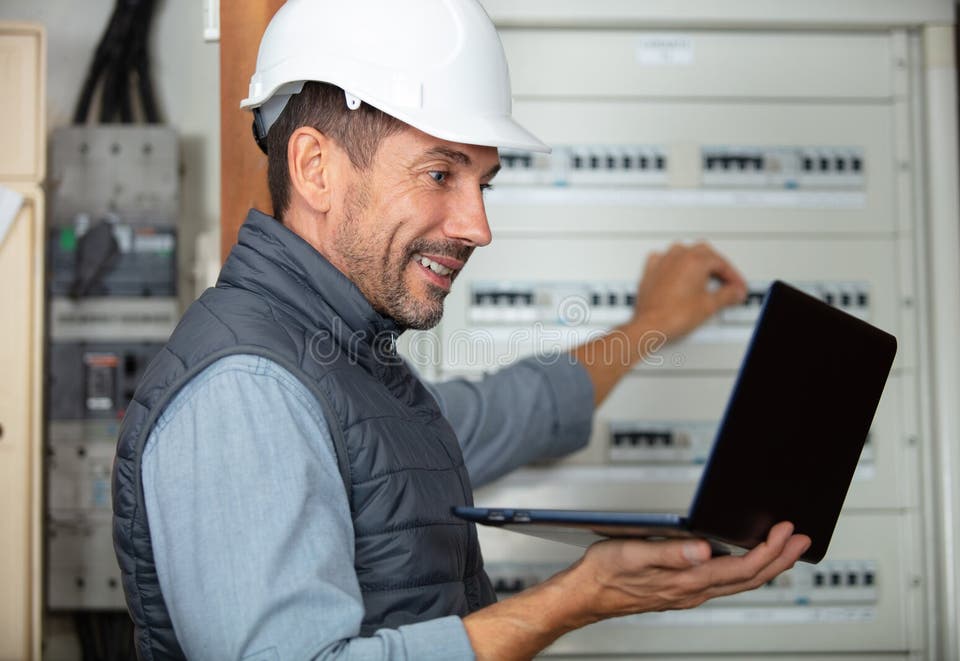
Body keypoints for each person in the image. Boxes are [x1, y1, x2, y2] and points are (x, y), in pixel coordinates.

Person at [112, 1, 811, 659]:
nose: (478, 227)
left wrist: (651, 326)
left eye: (484, 182)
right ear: (315, 168)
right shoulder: (248, 389)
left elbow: (514, 410)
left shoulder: (345, 368)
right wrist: (575, 598)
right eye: (440, 172)